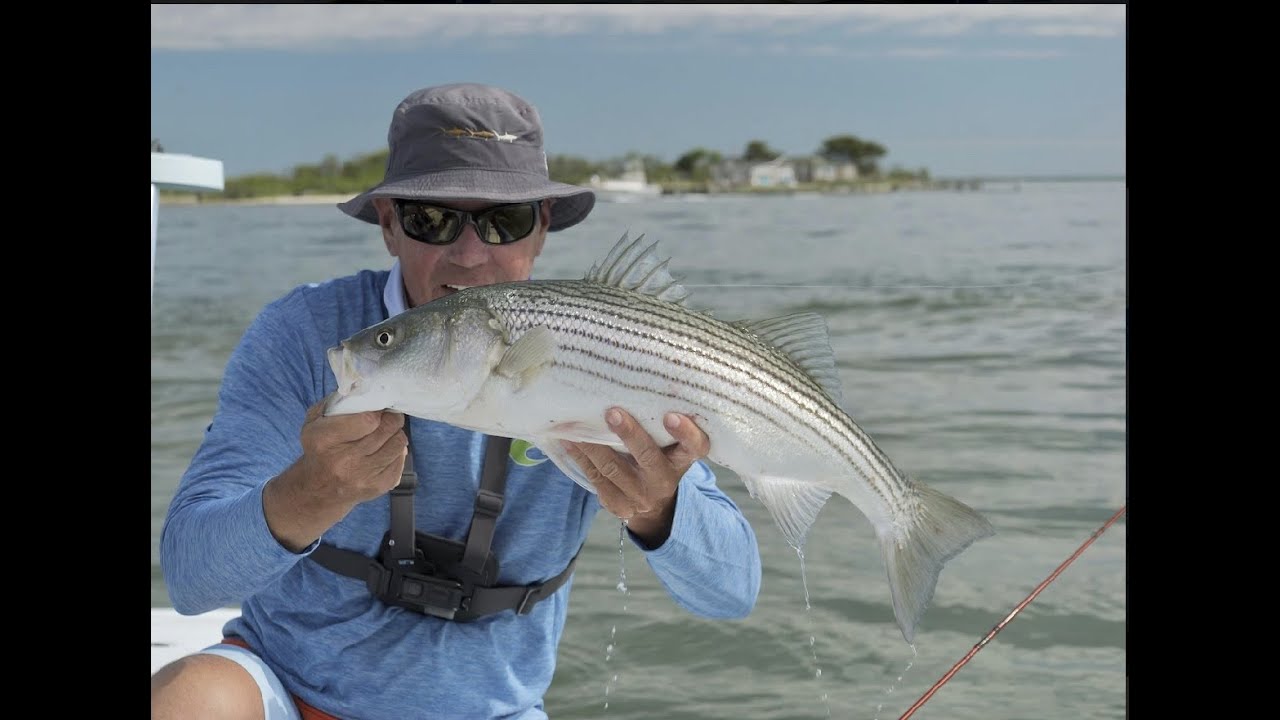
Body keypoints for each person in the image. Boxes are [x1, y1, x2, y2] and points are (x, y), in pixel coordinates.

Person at [150, 82, 762, 720]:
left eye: (505, 221)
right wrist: (309, 494)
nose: (469, 256)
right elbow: (192, 581)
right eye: (432, 220)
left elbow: (732, 591)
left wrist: (660, 510)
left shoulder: (606, 349)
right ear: (389, 225)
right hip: (285, 682)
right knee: (189, 700)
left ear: (542, 229)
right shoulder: (306, 334)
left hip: (495, 709)